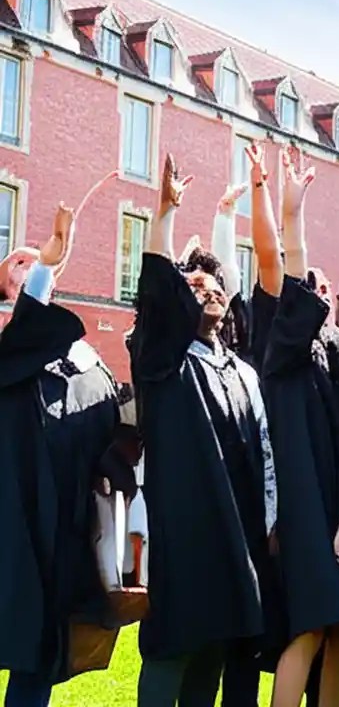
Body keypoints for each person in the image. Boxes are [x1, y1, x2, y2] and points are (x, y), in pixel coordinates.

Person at [130, 155, 278, 707]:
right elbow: (154, 297)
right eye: (190, 284)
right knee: (173, 651)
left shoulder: (241, 372)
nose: (206, 289)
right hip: (184, 533)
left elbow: (263, 454)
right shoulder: (163, 361)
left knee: (216, 652)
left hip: (238, 533)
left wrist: (270, 518)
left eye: (212, 283)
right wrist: (165, 212)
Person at [237, 144, 339, 707]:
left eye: (316, 287)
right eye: (301, 287)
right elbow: (273, 260)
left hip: (337, 509)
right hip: (298, 509)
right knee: (309, 627)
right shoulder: (279, 351)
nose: (309, 289)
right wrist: (284, 209)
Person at [0, 194, 122, 707]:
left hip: (51, 528)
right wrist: (47, 264)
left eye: (35, 263)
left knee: (38, 653)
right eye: (19, 264)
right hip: (9, 516)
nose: (30, 268)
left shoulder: (82, 360)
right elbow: (28, 332)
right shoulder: (14, 346)